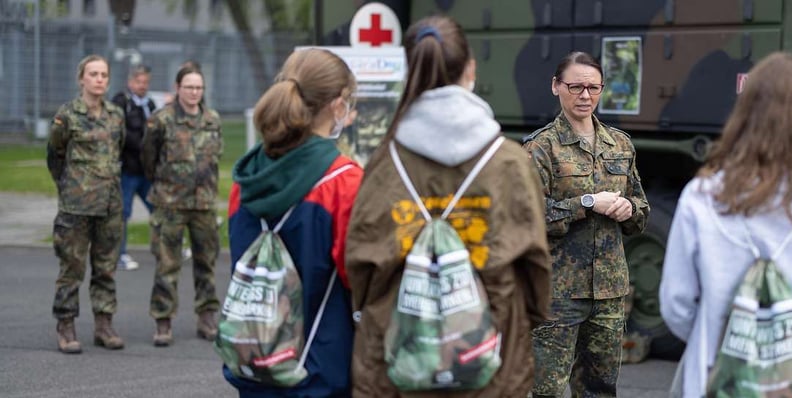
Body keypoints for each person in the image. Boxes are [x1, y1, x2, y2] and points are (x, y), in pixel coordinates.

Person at [345, 15, 552, 397]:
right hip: (493, 354)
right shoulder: (509, 161)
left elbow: (361, 264)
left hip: (399, 355)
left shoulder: (385, 162)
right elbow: (536, 265)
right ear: (470, 69)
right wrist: (522, 322)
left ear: (410, 70)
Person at [658, 52, 792, 398]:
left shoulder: (703, 197)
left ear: (744, 115)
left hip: (718, 383)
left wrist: (720, 338)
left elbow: (677, 306)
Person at [225, 48, 363, 397]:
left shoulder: (245, 180)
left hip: (256, 362)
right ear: (337, 105)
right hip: (319, 370)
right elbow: (360, 280)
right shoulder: (344, 182)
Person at [522, 51, 649, 398]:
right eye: (575, 87)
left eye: (593, 87)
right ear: (556, 86)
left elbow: (641, 210)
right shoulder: (540, 147)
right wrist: (587, 203)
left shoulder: (620, 144)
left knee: (600, 389)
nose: (585, 96)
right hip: (558, 292)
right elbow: (530, 218)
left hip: (609, 291)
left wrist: (629, 208)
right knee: (546, 390)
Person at [46, 54, 126, 353]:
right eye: (93, 74)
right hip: (76, 207)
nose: (99, 79)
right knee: (72, 267)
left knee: (106, 268)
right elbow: (55, 155)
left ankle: (104, 325)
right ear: (81, 79)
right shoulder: (67, 115)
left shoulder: (116, 114)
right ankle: (66, 325)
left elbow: (118, 149)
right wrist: (71, 187)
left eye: (103, 74)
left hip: (109, 205)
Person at [141, 65, 222, 346]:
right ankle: (163, 320)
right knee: (167, 264)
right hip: (170, 203)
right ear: (178, 88)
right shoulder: (161, 120)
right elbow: (148, 158)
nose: (194, 92)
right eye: (189, 87)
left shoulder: (212, 119)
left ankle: (207, 317)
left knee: (206, 262)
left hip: (204, 204)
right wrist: (165, 183)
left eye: (198, 87)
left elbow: (215, 159)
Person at [111, 64, 157, 271]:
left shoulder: (150, 105)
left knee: (159, 208)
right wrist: (141, 143)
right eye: (139, 82)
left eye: (146, 82)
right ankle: (119, 254)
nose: (142, 86)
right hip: (127, 171)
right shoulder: (122, 103)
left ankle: (166, 248)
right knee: (122, 213)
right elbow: (120, 132)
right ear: (130, 82)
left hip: (146, 171)